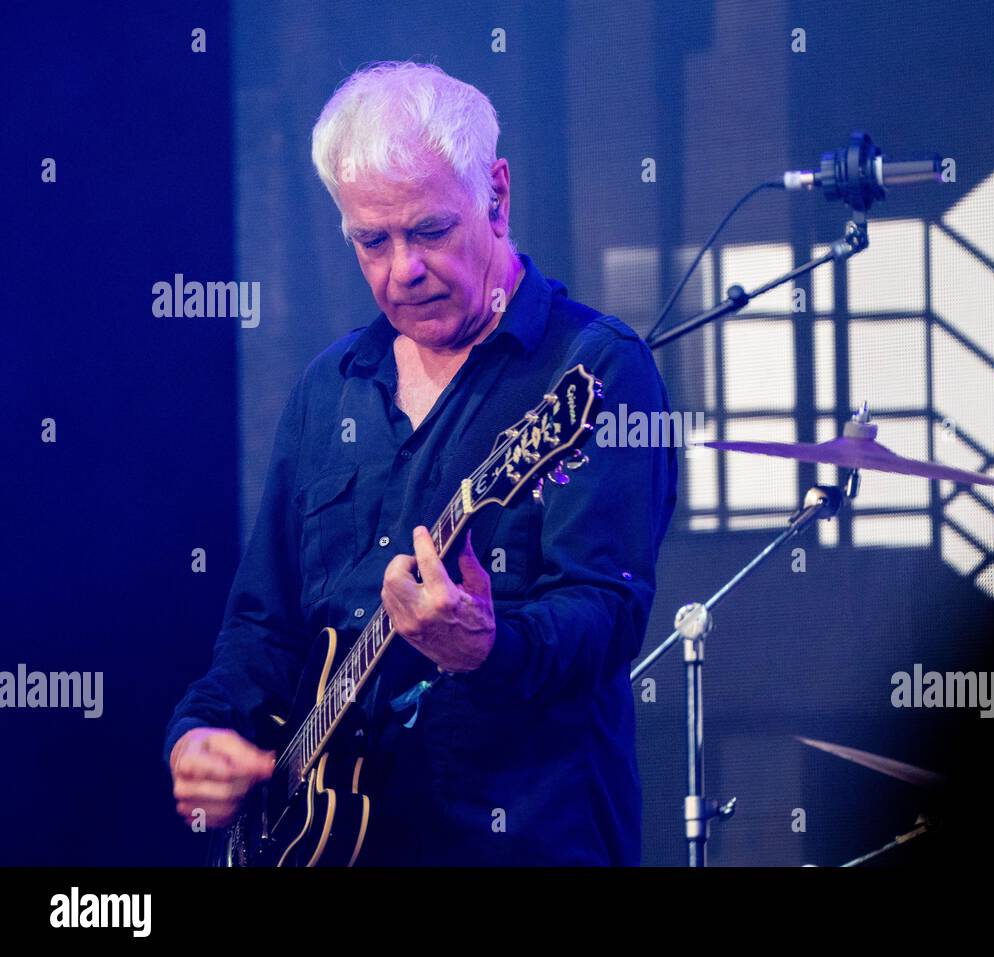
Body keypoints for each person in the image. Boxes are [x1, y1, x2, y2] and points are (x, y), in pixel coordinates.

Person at [164, 61, 677, 865]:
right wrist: (205, 730)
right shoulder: (328, 389)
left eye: (430, 230)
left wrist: (488, 641)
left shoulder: (590, 371)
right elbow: (264, 625)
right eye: (373, 241)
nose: (402, 267)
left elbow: (605, 616)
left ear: (498, 196)